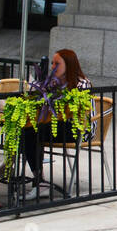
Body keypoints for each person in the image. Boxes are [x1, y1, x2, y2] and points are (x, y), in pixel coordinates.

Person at [21, 49, 92, 192]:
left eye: (57, 63)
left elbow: (76, 111)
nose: (53, 66)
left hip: (77, 129)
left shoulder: (82, 84)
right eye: (52, 63)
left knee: (31, 132)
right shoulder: (53, 83)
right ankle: (38, 179)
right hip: (54, 125)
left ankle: (39, 181)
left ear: (69, 65)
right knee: (27, 130)